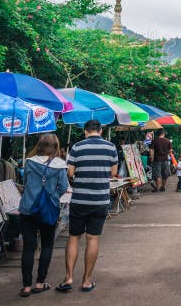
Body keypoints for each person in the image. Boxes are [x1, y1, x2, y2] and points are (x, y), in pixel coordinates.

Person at [58, 120, 118, 294]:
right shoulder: (111, 147)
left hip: (79, 199)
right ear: (100, 131)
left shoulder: (77, 147)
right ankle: (86, 281)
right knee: (92, 239)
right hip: (99, 200)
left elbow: (70, 172)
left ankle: (68, 278)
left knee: (74, 237)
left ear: (85, 131)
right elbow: (113, 173)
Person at [18, 134, 69, 297]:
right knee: (47, 245)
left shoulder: (29, 162)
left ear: (39, 145)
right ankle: (40, 283)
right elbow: (63, 187)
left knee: (28, 247)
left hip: (28, 209)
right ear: (55, 147)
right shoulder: (60, 165)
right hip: (49, 210)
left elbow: (25, 182)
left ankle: (26, 286)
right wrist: (52, 197)